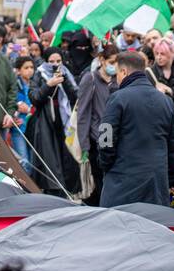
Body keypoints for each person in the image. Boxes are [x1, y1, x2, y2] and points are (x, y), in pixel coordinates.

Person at [99, 50, 174, 208]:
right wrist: (172, 178)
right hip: (156, 180)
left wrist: (105, 164)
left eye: (117, 73)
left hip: (122, 179)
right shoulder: (165, 101)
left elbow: (105, 138)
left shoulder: (118, 98)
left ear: (124, 71)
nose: (116, 77)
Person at [27, 47, 79, 197]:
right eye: (51, 61)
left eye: (58, 61)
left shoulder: (66, 73)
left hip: (66, 123)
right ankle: (55, 192)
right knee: (51, 162)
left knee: (68, 160)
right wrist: (49, 84)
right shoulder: (39, 74)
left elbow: (75, 96)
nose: (55, 64)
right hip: (46, 124)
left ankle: (69, 191)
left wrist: (66, 81)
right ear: (46, 61)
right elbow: (35, 97)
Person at [74, 43, 118, 205]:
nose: (114, 66)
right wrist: (84, 144)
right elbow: (83, 113)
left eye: (116, 62)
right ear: (102, 60)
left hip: (115, 137)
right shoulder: (90, 79)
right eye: (111, 62)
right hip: (96, 138)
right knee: (99, 178)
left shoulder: (117, 80)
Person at [9, 55, 35, 172]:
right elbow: (9, 102)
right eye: (26, 68)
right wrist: (14, 111)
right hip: (18, 129)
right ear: (18, 71)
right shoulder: (13, 85)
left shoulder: (35, 84)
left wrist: (29, 109)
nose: (30, 70)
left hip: (32, 127)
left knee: (32, 161)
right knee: (23, 161)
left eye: (31, 67)